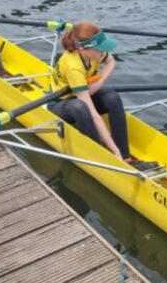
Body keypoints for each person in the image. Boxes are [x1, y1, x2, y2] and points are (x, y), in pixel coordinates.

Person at [49, 21, 157, 171]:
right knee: (81, 108)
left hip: (82, 93)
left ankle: (126, 159)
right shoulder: (74, 67)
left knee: (112, 97)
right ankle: (99, 159)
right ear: (82, 49)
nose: (103, 52)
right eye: (100, 48)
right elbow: (94, 115)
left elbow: (111, 62)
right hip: (60, 105)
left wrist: (100, 82)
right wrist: (114, 151)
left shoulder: (94, 53)